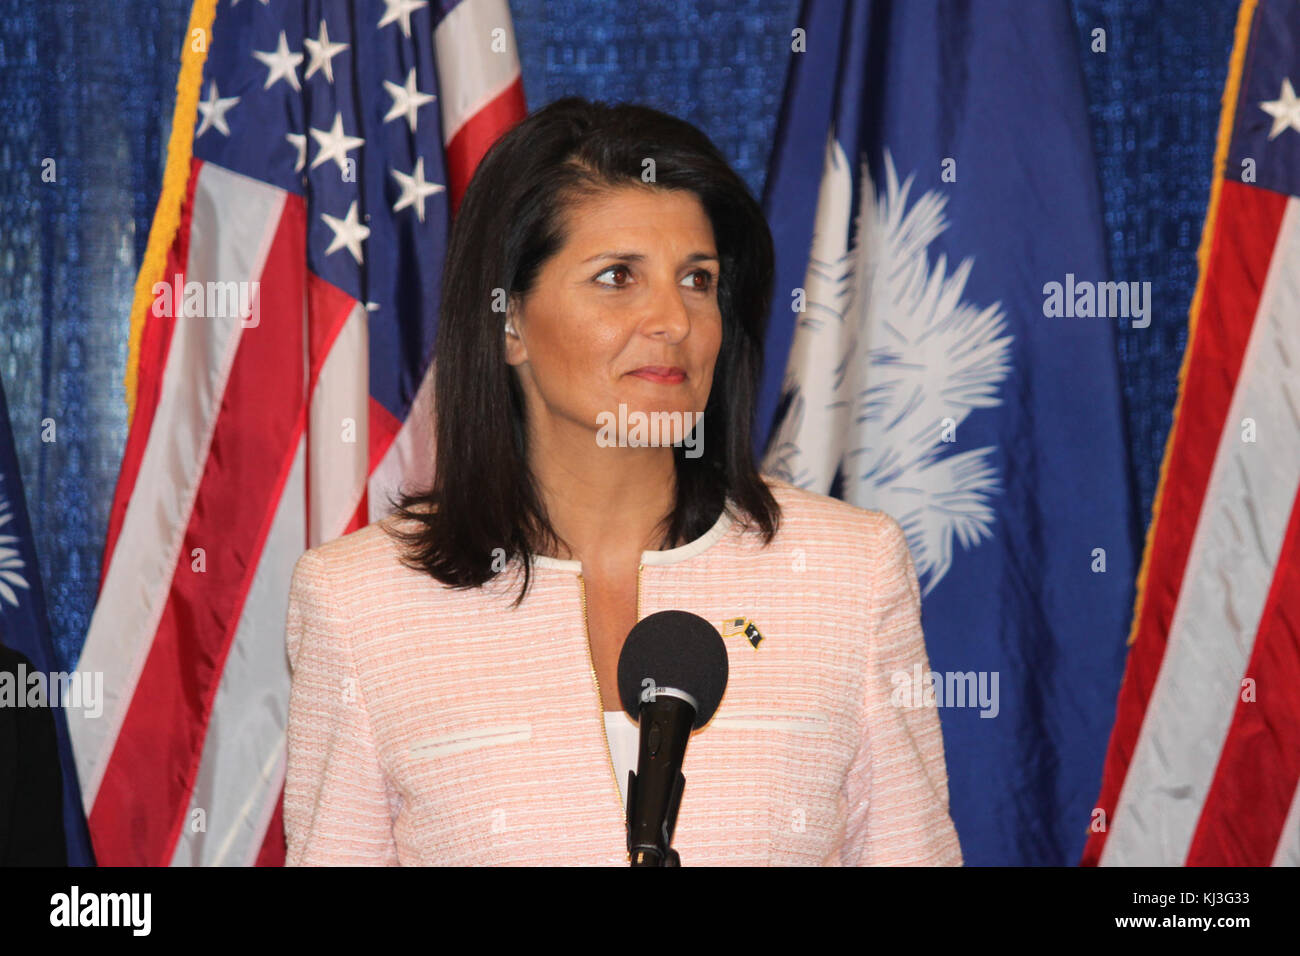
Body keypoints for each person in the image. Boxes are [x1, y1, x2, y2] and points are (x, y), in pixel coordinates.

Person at [283, 97, 962, 866]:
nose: (674, 319)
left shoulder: (851, 571)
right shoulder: (359, 603)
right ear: (509, 322)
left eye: (698, 279)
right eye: (617, 277)